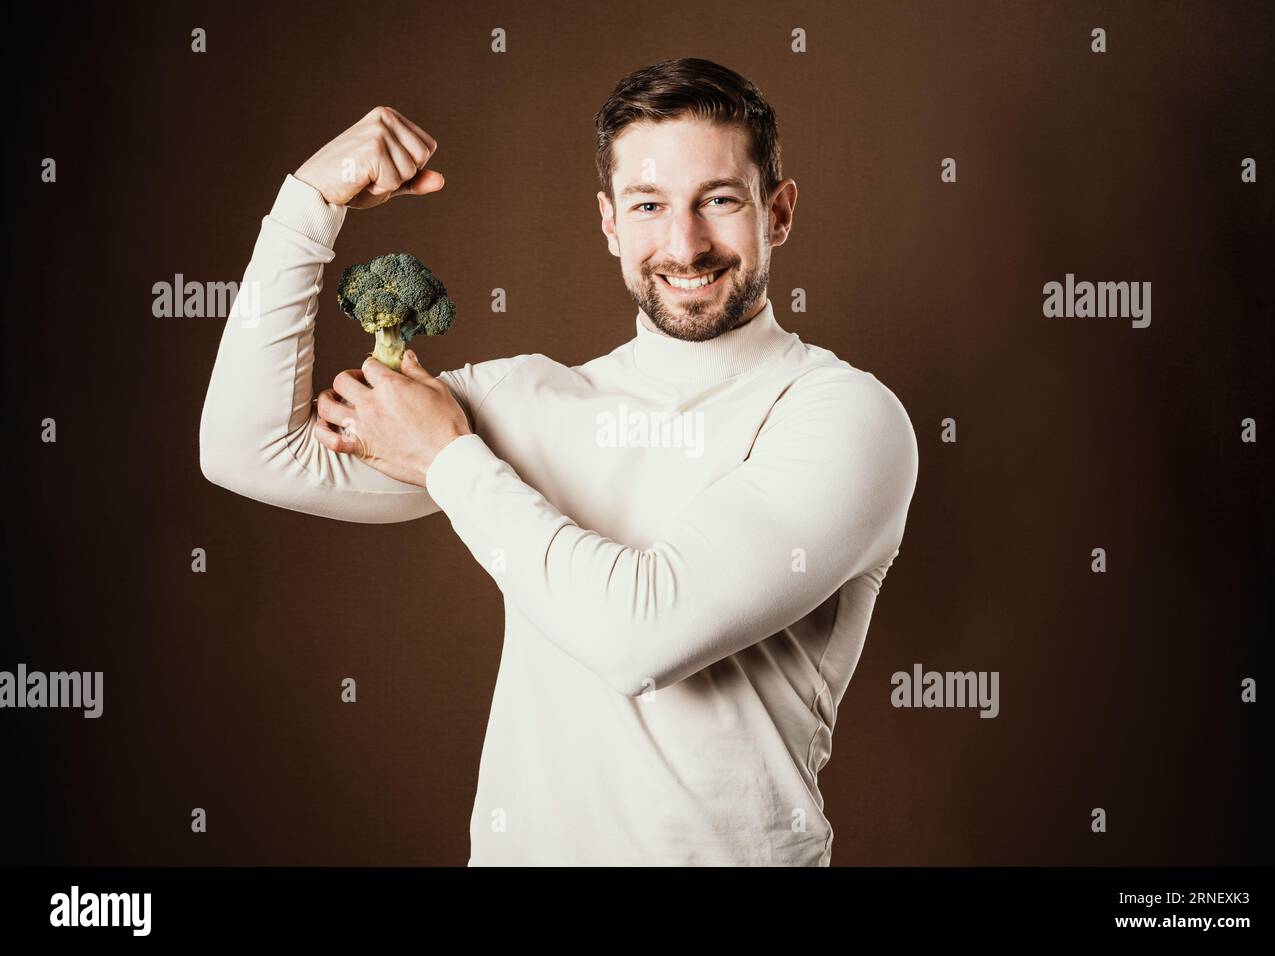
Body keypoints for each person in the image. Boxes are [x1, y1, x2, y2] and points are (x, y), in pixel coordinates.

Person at [199, 57, 919, 865]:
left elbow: (643, 636)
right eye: (648, 205)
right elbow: (248, 450)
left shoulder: (844, 415)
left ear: (777, 212)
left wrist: (449, 458)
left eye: (719, 200)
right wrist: (307, 206)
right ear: (609, 222)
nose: (685, 245)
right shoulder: (529, 397)